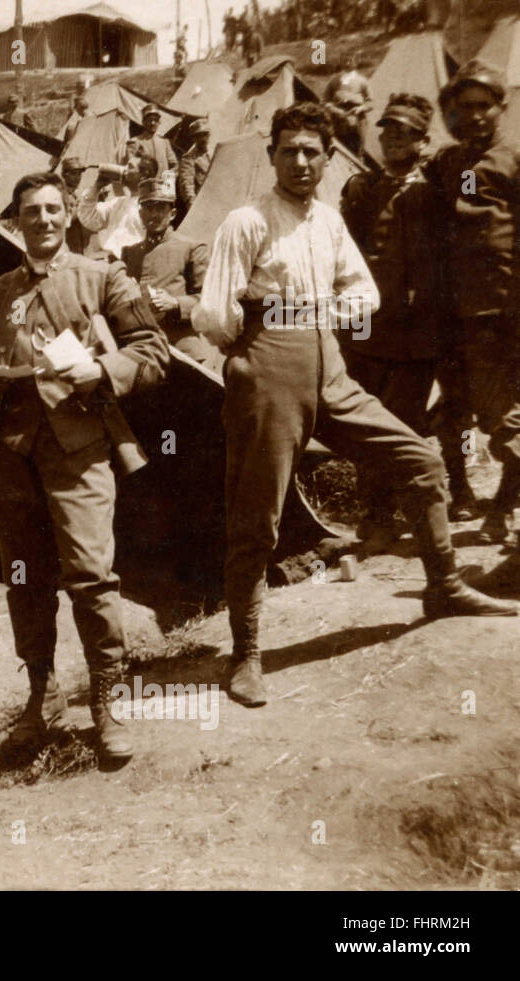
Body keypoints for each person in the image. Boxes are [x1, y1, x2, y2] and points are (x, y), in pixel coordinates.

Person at [191, 103, 516, 709]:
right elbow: (212, 314)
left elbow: (363, 292)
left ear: (328, 158)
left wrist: (315, 314)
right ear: (271, 156)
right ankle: (247, 653)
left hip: (330, 366)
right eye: (289, 149)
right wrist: (263, 332)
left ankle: (443, 584)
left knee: (420, 459)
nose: (301, 161)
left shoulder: (329, 221)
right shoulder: (246, 221)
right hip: (268, 370)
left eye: (313, 150)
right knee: (257, 516)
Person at [0, 170, 169, 761]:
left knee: (92, 576)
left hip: (79, 450)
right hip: (9, 455)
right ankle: (42, 696)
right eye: (31, 212)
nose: (43, 220)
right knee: (24, 579)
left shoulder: (103, 275)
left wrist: (103, 371)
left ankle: (106, 700)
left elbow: (153, 353)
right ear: (16, 222)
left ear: (69, 213)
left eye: (53, 209)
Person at [338, 93, 441, 550]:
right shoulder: (363, 189)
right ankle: (376, 516)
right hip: (367, 328)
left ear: (424, 139)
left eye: (405, 132)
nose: (394, 138)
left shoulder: (438, 189)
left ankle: (419, 517)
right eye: (388, 130)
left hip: (417, 331)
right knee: (367, 423)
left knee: (406, 424)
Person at [424, 61, 520, 542]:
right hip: (450, 312)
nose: (475, 115)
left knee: (503, 417)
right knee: (454, 410)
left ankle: (504, 506)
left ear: (501, 107)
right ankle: (462, 492)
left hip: (499, 312)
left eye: (485, 106)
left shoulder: (513, 161)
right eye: (464, 108)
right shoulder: (447, 162)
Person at [121, 176, 218, 368]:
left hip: (181, 349)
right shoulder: (130, 253)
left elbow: (210, 300)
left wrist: (175, 303)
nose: (154, 214)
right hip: (143, 350)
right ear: (140, 213)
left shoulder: (191, 248)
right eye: (149, 208)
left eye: (161, 208)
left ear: (172, 213)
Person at [80, 154, 157, 259]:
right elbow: (88, 219)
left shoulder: (151, 208)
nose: (124, 170)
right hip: (105, 260)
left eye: (130, 167)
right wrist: (96, 187)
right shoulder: (118, 202)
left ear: (143, 176)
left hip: (128, 265)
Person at [324, 55, 374, 156]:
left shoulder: (362, 81)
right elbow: (325, 101)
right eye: (344, 61)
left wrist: (360, 108)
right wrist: (335, 110)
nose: (347, 64)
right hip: (338, 118)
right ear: (341, 62)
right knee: (339, 145)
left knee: (358, 147)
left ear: (356, 62)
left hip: (358, 118)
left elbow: (370, 102)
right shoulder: (334, 81)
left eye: (350, 61)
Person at [177, 117, 212, 216]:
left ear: (209, 135)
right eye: (198, 136)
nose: (202, 139)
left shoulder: (215, 153)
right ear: (193, 138)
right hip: (202, 203)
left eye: (204, 134)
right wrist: (193, 206)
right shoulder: (188, 159)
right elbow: (187, 185)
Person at [59, 155, 92, 254]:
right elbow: (65, 221)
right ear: (64, 175)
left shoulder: (76, 194)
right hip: (64, 248)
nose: (77, 178)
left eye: (79, 174)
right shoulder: (59, 193)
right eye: (73, 174)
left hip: (78, 247)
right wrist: (82, 206)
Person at [134, 104, 178, 175]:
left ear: (159, 122)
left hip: (163, 184)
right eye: (149, 120)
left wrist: (168, 179)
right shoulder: (135, 142)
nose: (153, 123)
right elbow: (132, 168)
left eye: (155, 120)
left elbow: (174, 165)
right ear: (143, 122)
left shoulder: (164, 142)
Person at [58, 76, 92, 145]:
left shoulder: (85, 95)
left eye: (82, 87)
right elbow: (71, 108)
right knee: (70, 129)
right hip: (74, 115)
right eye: (80, 87)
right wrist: (75, 114)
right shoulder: (74, 95)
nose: (81, 88)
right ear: (77, 87)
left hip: (81, 115)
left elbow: (87, 105)